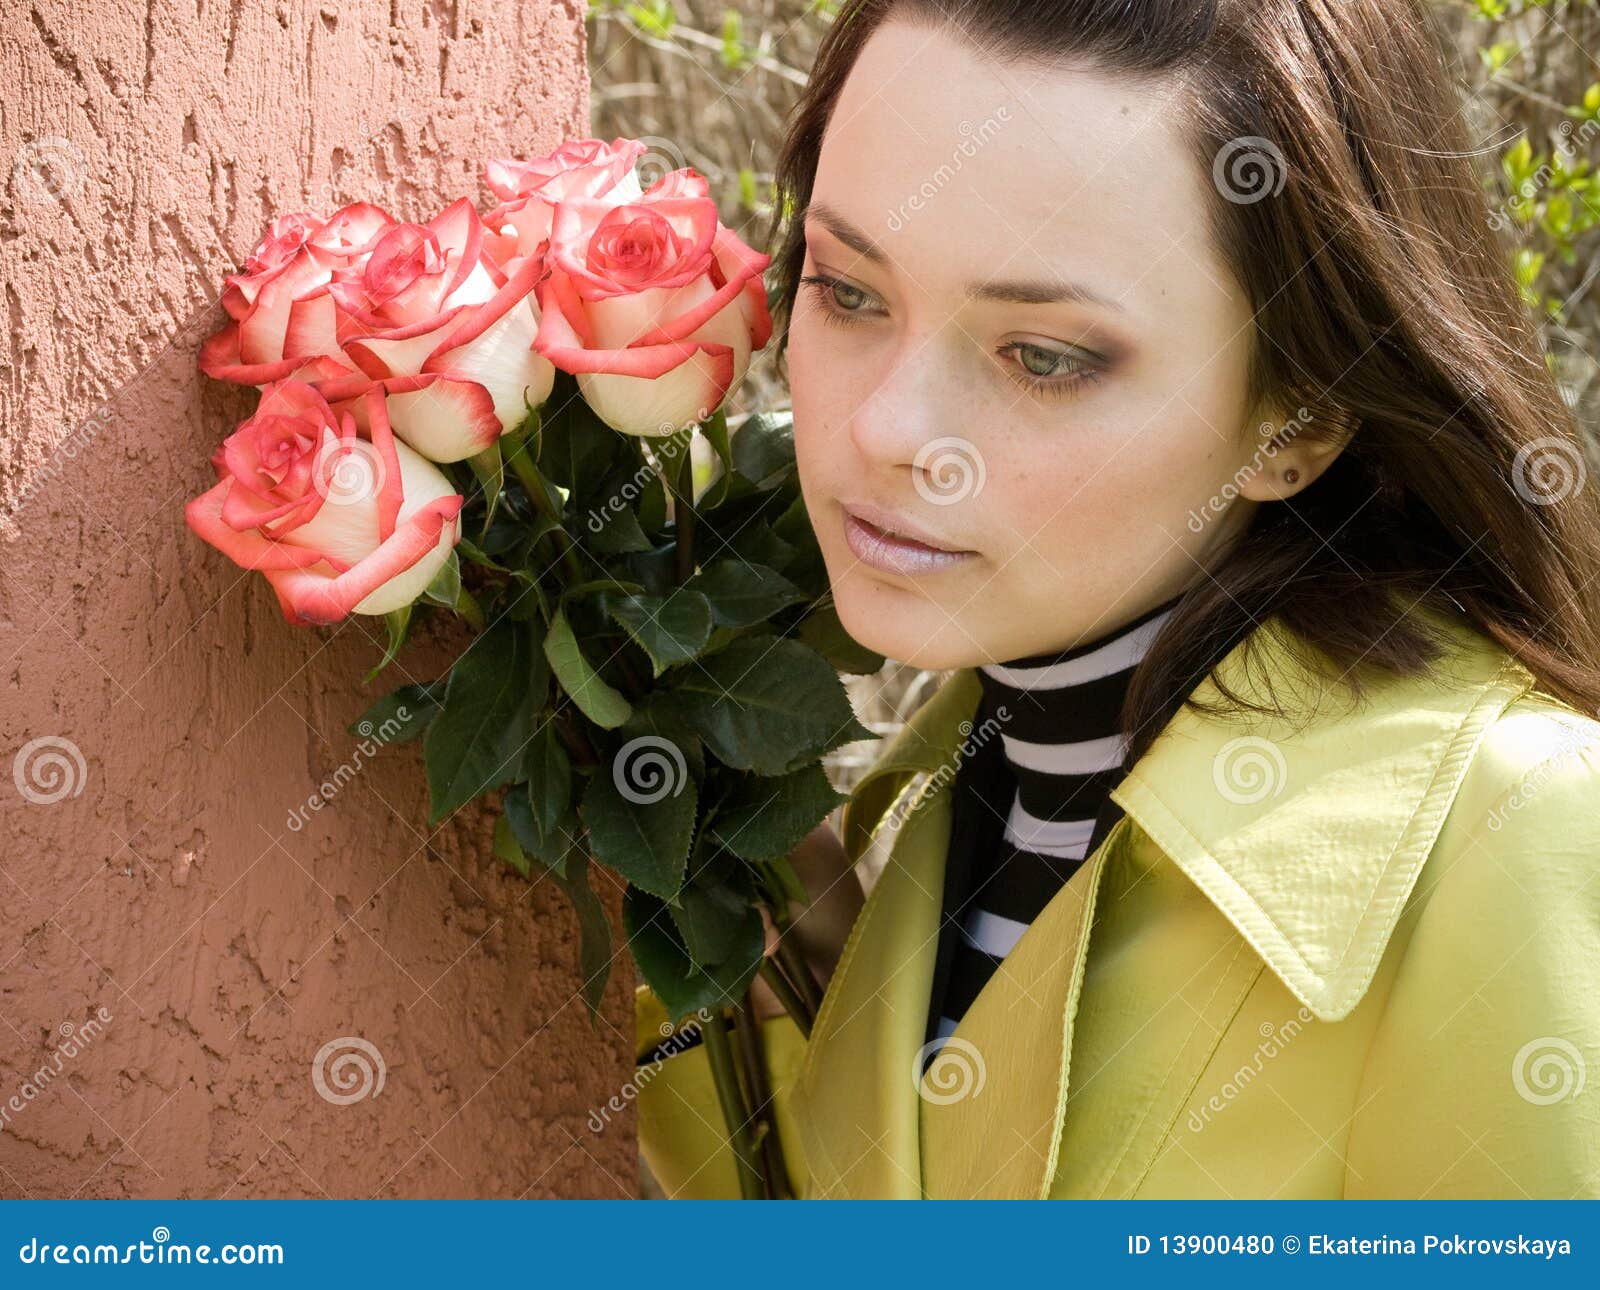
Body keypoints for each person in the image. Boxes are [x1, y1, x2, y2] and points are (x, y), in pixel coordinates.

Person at [634, 0, 1600, 1199]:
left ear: (1298, 418)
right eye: (847, 292)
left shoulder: (1512, 832)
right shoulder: (929, 806)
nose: (884, 430)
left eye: (1041, 356)